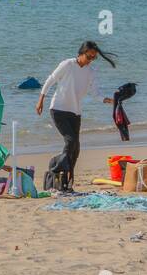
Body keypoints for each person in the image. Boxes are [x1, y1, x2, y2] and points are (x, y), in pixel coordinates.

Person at [36, 41, 115, 184]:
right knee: (70, 141)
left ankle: (68, 177)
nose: (90, 60)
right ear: (81, 53)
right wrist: (41, 99)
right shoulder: (67, 64)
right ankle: (55, 167)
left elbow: (95, 93)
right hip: (58, 109)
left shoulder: (90, 72)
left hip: (75, 113)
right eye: (89, 56)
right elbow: (51, 80)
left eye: (93, 58)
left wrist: (108, 100)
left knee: (76, 148)